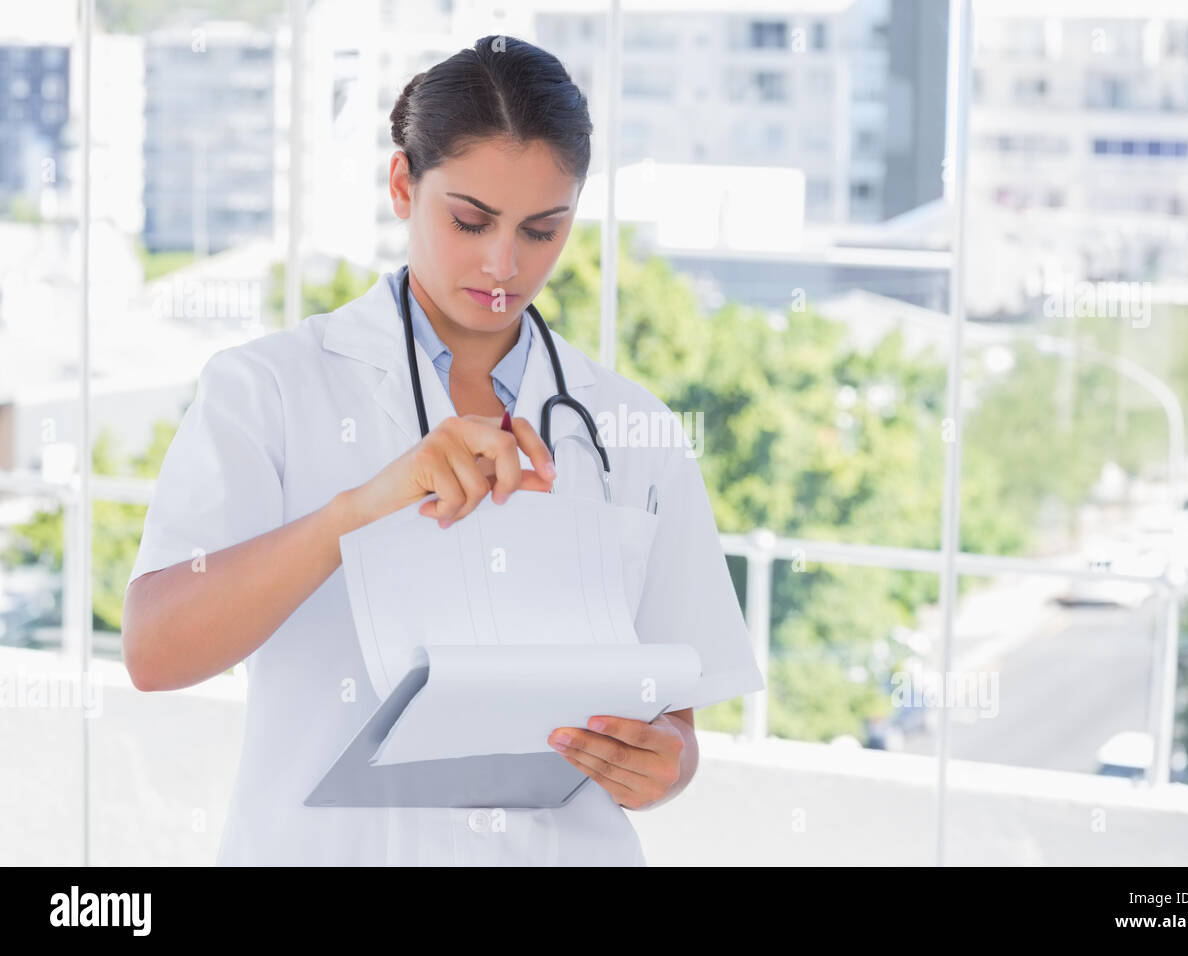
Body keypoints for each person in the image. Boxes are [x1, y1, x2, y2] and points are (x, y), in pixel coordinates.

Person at [121, 34, 763, 866]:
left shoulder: (631, 428)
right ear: (402, 185)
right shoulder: (267, 389)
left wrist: (661, 766)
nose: (504, 263)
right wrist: (359, 511)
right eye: (470, 220)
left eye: (543, 229)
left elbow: (675, 726)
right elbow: (155, 649)